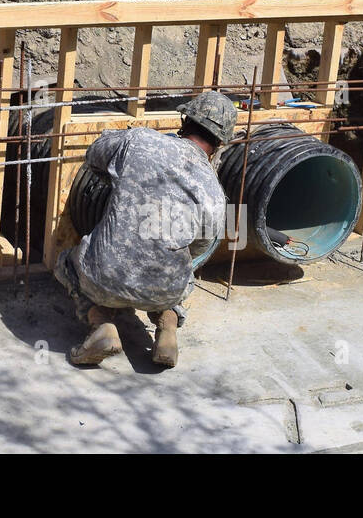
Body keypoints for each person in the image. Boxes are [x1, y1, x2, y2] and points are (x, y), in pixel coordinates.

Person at [53, 91, 236, 367]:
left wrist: (119, 180)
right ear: (220, 143)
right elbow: (198, 248)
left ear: (185, 122)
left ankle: (101, 324)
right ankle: (167, 327)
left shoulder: (139, 141)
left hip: (103, 277)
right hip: (165, 289)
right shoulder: (214, 192)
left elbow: (94, 155)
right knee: (183, 272)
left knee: (66, 263)